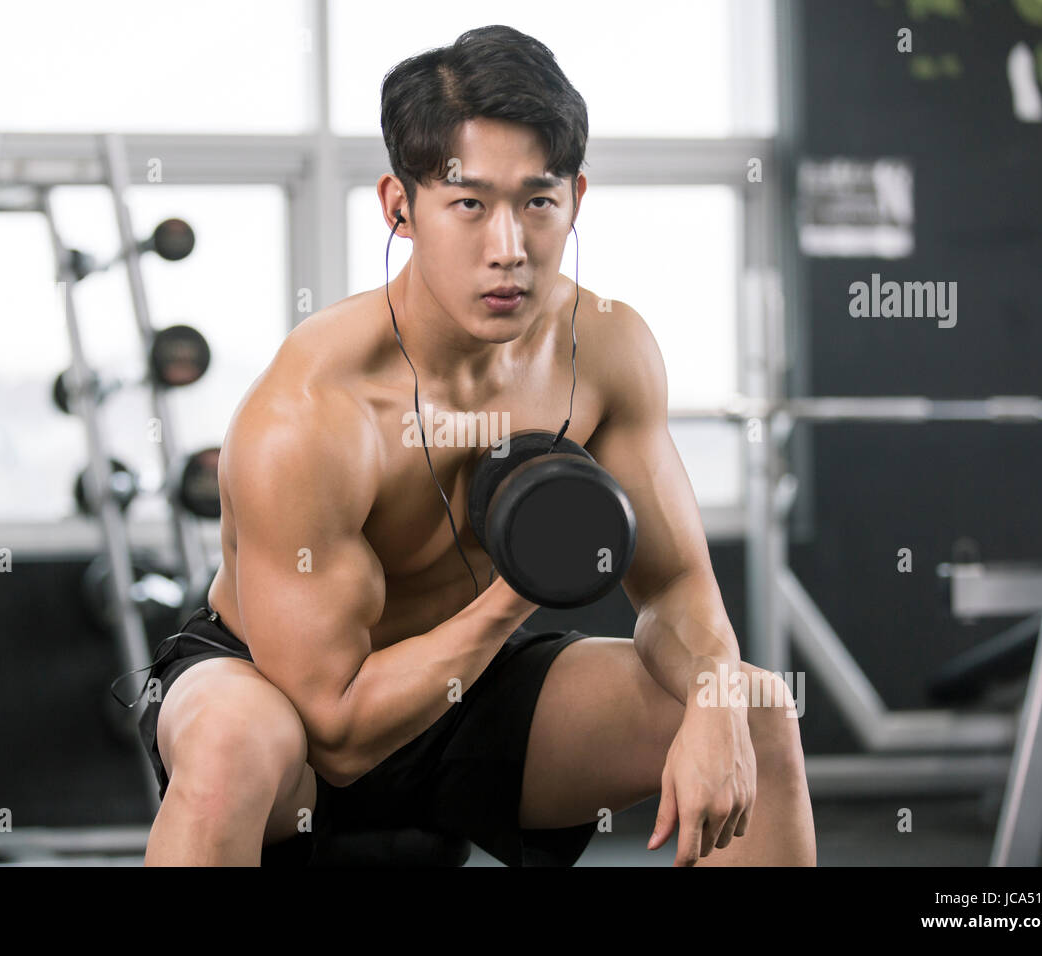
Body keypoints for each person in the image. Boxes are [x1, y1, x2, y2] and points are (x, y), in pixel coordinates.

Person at [138, 24, 816, 866]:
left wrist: (714, 705)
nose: (509, 249)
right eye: (470, 203)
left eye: (538, 200)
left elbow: (677, 588)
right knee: (231, 747)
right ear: (400, 207)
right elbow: (341, 731)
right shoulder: (312, 410)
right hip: (291, 707)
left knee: (753, 706)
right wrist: (521, 589)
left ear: (576, 201)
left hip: (474, 685)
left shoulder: (604, 349)